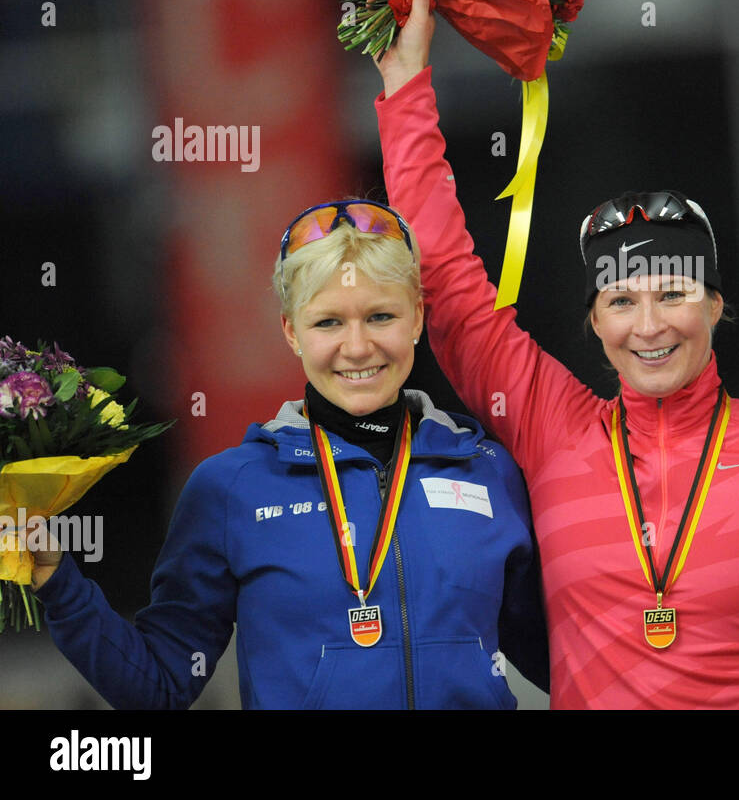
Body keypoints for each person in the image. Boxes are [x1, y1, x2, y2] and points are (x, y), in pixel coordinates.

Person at [373, 0, 739, 709]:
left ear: (715, 305)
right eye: (621, 300)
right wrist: (405, 84)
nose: (649, 325)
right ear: (595, 321)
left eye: (674, 294)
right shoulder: (553, 426)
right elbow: (448, 285)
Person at [28, 199, 547, 709]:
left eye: (381, 316)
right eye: (328, 323)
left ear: (417, 319)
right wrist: (60, 583)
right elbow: (158, 686)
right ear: (290, 331)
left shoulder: (487, 470)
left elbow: (565, 660)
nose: (359, 346)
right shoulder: (231, 488)